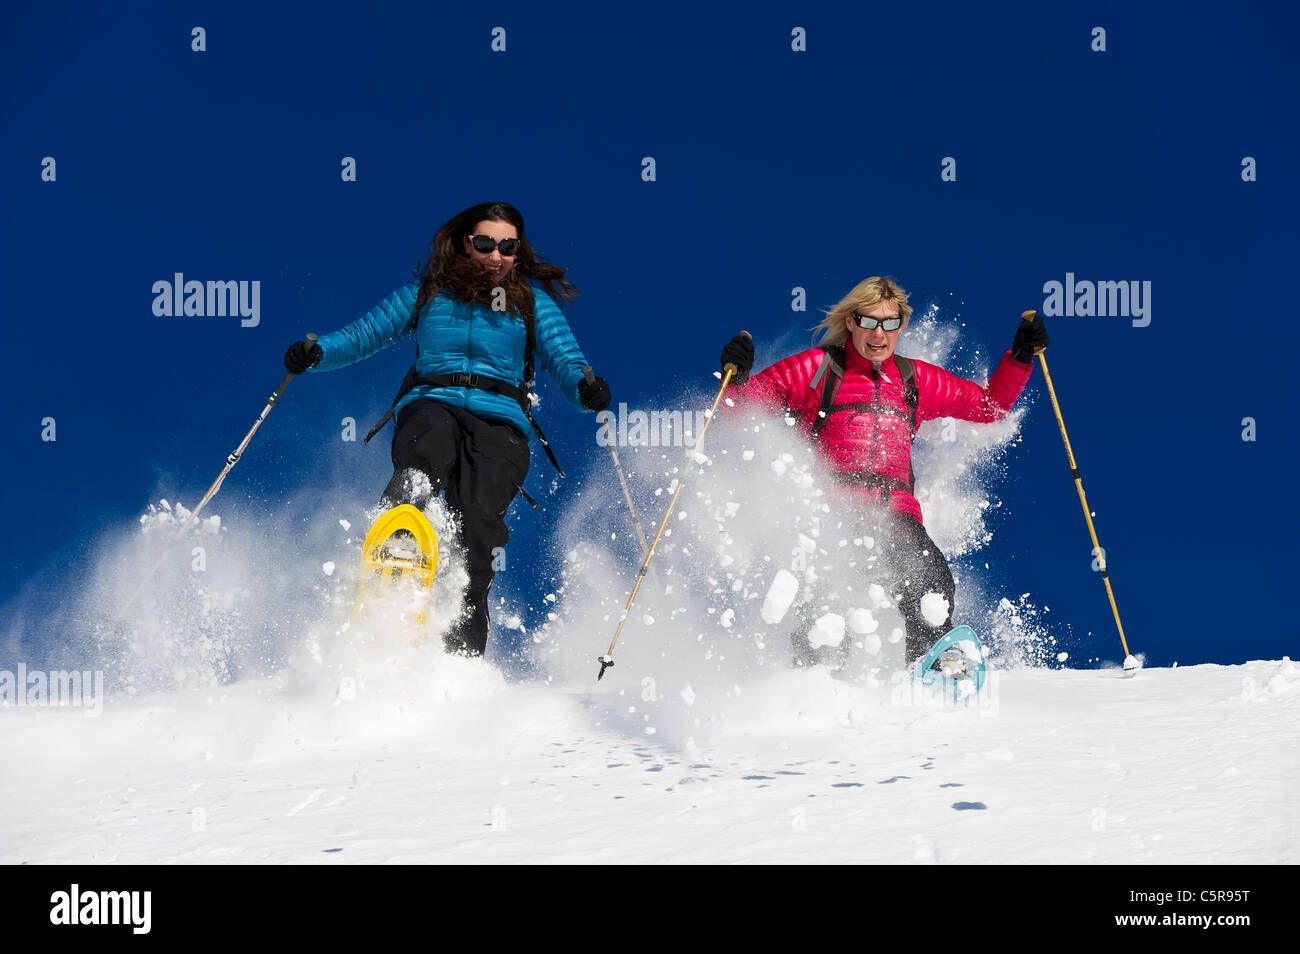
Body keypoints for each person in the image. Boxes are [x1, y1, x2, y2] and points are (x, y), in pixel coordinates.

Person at [283, 202, 611, 657]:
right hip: (433, 402)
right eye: (486, 244)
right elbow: (361, 336)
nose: (496, 256)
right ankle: (400, 535)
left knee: (477, 526)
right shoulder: (428, 295)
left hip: (500, 422)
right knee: (428, 448)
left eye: (508, 247)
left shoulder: (532, 306)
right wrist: (317, 353)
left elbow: (566, 361)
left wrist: (585, 388)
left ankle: (460, 653)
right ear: (465, 243)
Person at [718, 276, 1047, 668]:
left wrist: (1020, 358)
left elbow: (987, 407)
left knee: (929, 582)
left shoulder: (914, 379)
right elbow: (744, 410)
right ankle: (814, 678)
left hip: (894, 515)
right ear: (851, 322)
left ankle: (930, 668)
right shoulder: (818, 369)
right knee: (825, 607)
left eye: (890, 323)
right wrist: (738, 379)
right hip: (830, 516)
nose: (879, 333)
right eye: (869, 321)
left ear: (901, 325)